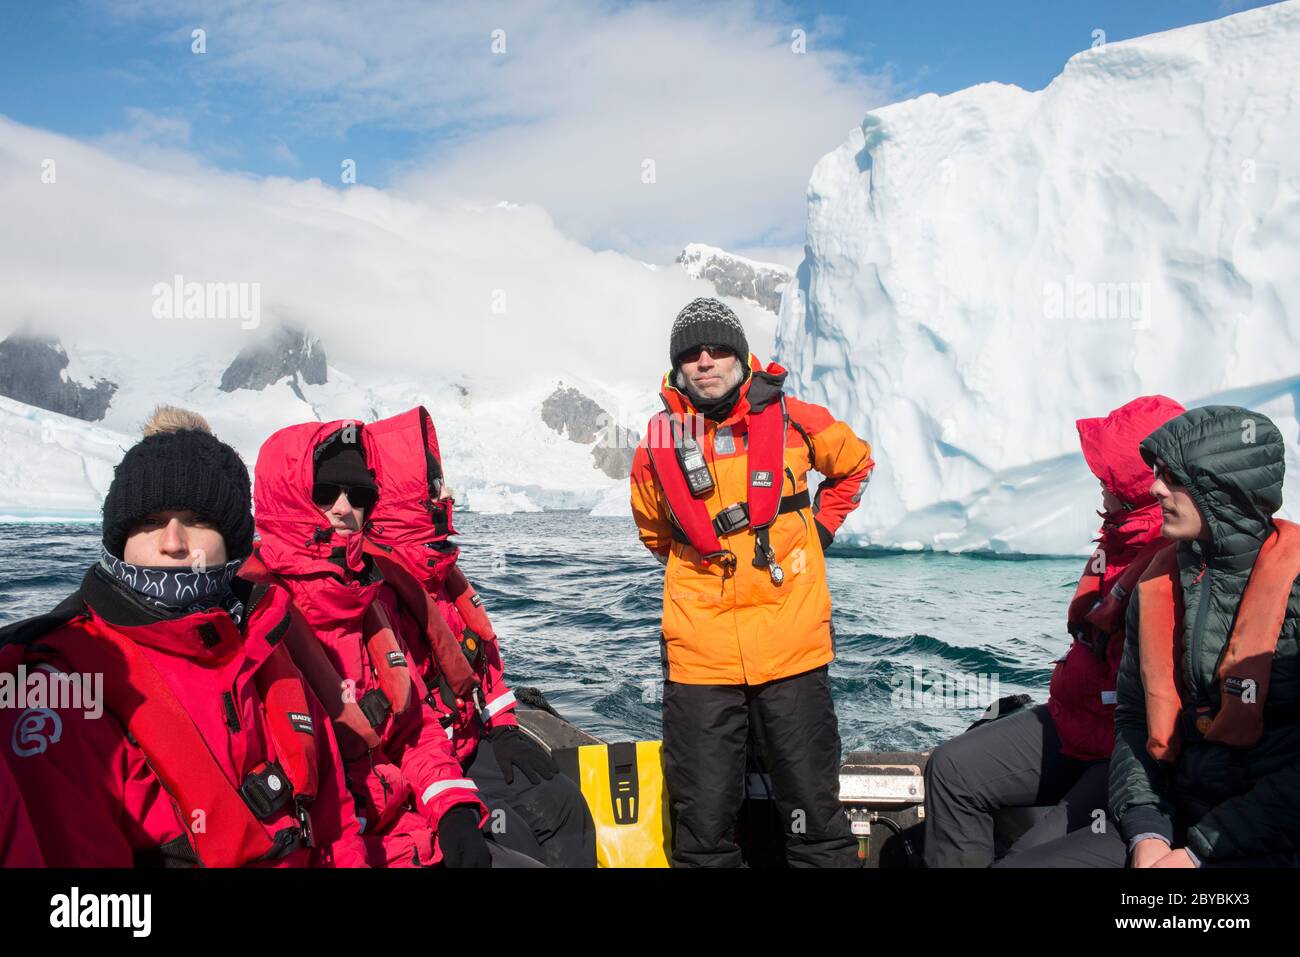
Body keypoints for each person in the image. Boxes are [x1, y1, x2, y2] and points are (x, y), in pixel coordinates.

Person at [0, 407, 367, 867]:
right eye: (150, 520)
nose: (173, 542)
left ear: (232, 541)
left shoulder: (265, 641)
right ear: (120, 537)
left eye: (196, 518)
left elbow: (336, 822)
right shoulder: (60, 694)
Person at [629, 297, 875, 867]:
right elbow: (654, 531)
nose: (705, 362)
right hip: (699, 657)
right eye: (691, 354)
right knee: (704, 832)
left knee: (816, 822)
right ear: (678, 367)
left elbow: (856, 465)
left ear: (741, 357)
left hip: (792, 648)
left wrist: (821, 529)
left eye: (717, 349)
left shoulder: (797, 420)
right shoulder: (653, 449)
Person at [1000, 405, 1300, 867]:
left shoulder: (1295, 592)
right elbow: (1136, 723)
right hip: (1171, 817)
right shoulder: (1158, 585)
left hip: (1264, 836)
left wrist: (1197, 853)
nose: (1155, 488)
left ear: (1223, 489)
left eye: (1172, 478)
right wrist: (1146, 832)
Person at [252, 419, 547, 867]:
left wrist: (452, 811)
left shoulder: (365, 602)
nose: (344, 507)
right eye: (326, 491)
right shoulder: (254, 621)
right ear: (289, 499)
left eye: (360, 495)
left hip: (405, 819)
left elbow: (414, 728)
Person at [923, 395, 1185, 867]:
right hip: (1074, 719)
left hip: (1122, 749)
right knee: (952, 769)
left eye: (1107, 476)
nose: (1099, 486)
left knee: (1025, 859)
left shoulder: (1171, 560)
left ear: (1135, 486)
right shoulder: (1122, 536)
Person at [361, 406, 596, 868]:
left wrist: (506, 730)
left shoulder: (440, 577)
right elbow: (408, 723)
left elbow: (485, 668)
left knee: (566, 803)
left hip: (472, 742)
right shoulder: (380, 594)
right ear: (403, 499)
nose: (446, 494)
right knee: (518, 837)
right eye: (433, 486)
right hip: (430, 767)